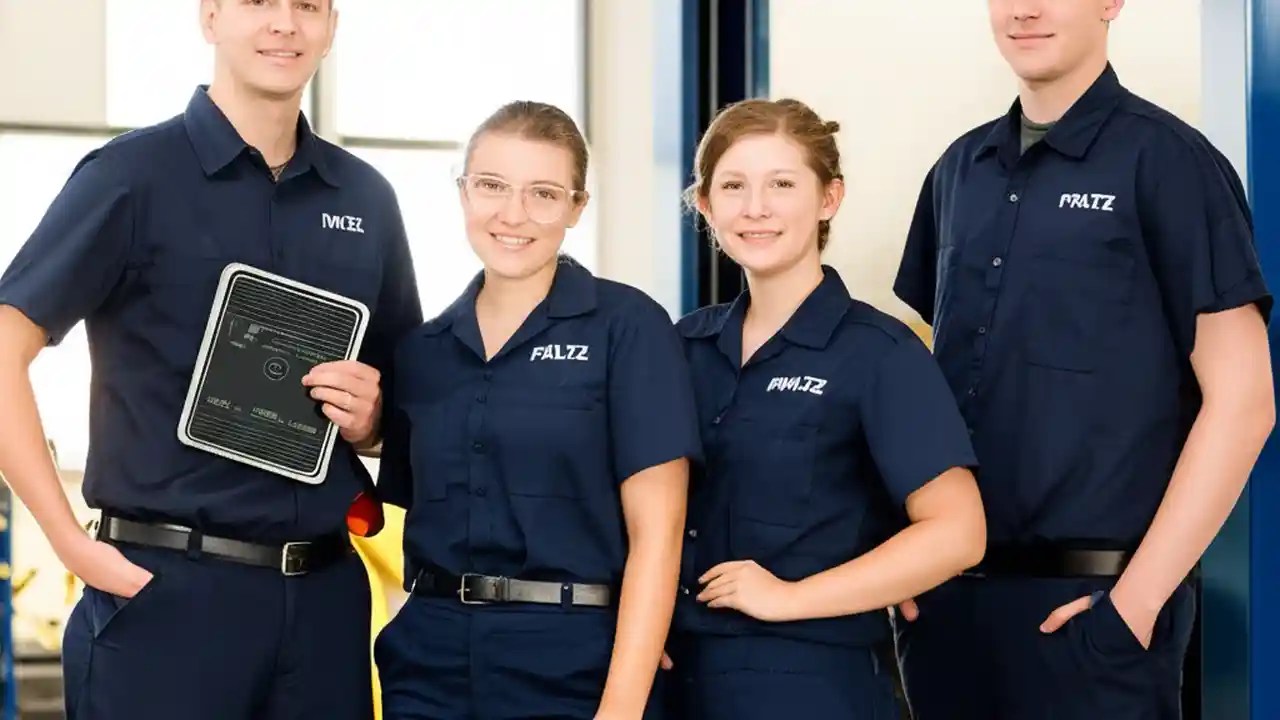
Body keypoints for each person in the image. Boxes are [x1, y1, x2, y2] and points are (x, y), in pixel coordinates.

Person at [0, 1, 422, 718]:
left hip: (324, 605)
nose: (285, 24)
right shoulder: (131, 177)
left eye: (308, 6)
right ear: (212, 17)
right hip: (165, 595)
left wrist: (372, 419)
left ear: (330, 26)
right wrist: (69, 542)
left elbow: (403, 404)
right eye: (260, 2)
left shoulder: (367, 199)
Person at [891, 2, 1274, 718]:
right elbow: (914, 393)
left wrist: (1134, 604)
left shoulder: (1171, 162)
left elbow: (1245, 402)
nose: (1025, 9)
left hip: (1094, 615)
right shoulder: (957, 171)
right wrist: (897, 554)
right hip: (945, 616)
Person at [373, 100, 701, 719]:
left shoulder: (628, 327)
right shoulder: (421, 351)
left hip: (575, 667)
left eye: (544, 194)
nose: (513, 214)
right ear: (463, 192)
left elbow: (657, 537)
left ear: (577, 206)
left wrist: (622, 708)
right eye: (492, 186)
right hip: (428, 667)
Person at [663, 98, 987, 719]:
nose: (755, 207)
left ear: (829, 198)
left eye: (782, 184)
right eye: (733, 186)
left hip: (810, 678)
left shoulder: (879, 352)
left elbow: (958, 532)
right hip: (679, 677)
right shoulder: (678, 347)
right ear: (705, 205)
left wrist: (790, 597)